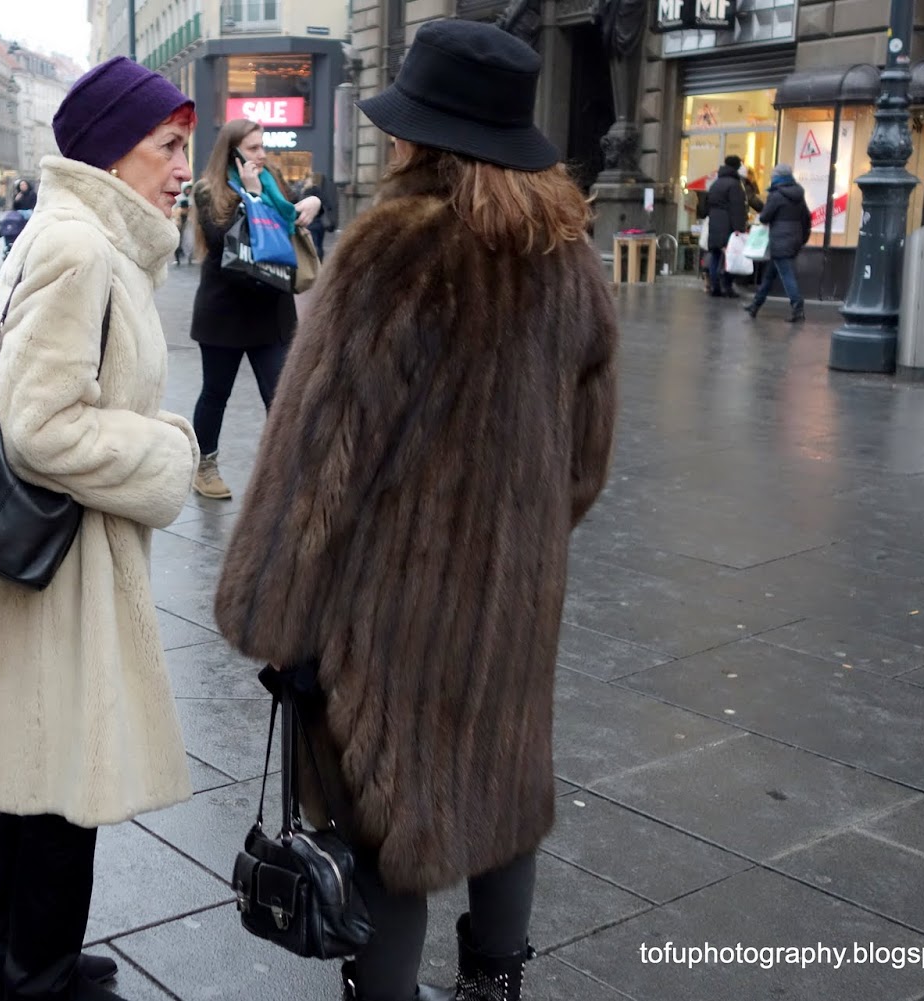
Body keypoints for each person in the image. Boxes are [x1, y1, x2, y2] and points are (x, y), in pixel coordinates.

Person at [214, 20, 617, 1001]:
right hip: (510, 602)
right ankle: (495, 985)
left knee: (384, 823)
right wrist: (517, 540)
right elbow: (586, 453)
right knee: (500, 791)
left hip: (388, 613)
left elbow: (314, 457)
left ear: (418, 138)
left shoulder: (391, 252)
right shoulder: (568, 253)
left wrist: (270, 610)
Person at [0, 56, 199, 1001]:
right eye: (167, 146)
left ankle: (15, 956)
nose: (182, 167)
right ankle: (37, 976)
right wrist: (165, 454)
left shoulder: (77, 234)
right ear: (114, 151)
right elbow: (38, 426)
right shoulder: (83, 248)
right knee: (63, 778)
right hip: (55, 561)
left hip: (40, 554)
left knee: (31, 773)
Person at [186, 119, 321, 500]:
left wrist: (313, 202)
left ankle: (286, 471)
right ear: (232, 151)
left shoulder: (272, 181)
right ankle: (205, 466)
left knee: (280, 397)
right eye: (252, 148)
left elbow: (289, 222)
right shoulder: (209, 190)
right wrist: (252, 196)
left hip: (271, 313)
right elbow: (224, 243)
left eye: (262, 146)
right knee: (216, 393)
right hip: (225, 314)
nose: (261, 154)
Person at [744, 163, 812, 324]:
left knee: (786, 274)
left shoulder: (776, 195)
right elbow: (806, 218)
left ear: (777, 178)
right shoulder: (798, 195)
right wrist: (802, 238)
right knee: (769, 275)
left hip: (780, 239)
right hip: (794, 238)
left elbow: (765, 217)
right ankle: (755, 305)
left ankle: (797, 307)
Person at [706, 155, 748, 298]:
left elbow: (706, 206)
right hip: (728, 226)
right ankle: (727, 287)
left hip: (714, 224)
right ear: (737, 167)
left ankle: (715, 287)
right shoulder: (735, 185)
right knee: (730, 257)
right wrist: (739, 228)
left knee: (715, 256)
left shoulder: (715, 184)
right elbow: (737, 209)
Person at [299, 171, 337, 261]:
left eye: (307, 181)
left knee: (313, 245)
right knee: (319, 245)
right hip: (320, 223)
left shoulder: (306, 192)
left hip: (310, 222)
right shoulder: (320, 192)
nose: (305, 183)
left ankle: (315, 262)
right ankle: (320, 261)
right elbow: (328, 205)